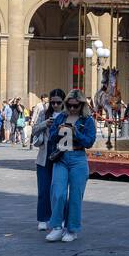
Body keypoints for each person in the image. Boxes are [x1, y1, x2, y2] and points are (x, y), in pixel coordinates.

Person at [45, 90, 97, 243]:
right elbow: (52, 138)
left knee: (75, 196)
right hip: (62, 156)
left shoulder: (87, 120)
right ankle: (56, 227)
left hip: (78, 158)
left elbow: (89, 142)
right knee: (58, 192)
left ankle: (72, 229)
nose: (72, 109)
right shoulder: (61, 116)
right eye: (69, 105)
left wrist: (76, 132)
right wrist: (58, 130)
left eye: (76, 106)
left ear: (82, 105)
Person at [32, 90, 67, 231]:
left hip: (61, 156)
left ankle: (61, 217)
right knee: (43, 189)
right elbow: (34, 130)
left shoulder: (67, 115)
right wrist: (44, 124)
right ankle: (42, 218)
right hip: (44, 157)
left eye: (59, 102)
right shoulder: (44, 113)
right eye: (53, 102)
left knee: (60, 191)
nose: (56, 105)